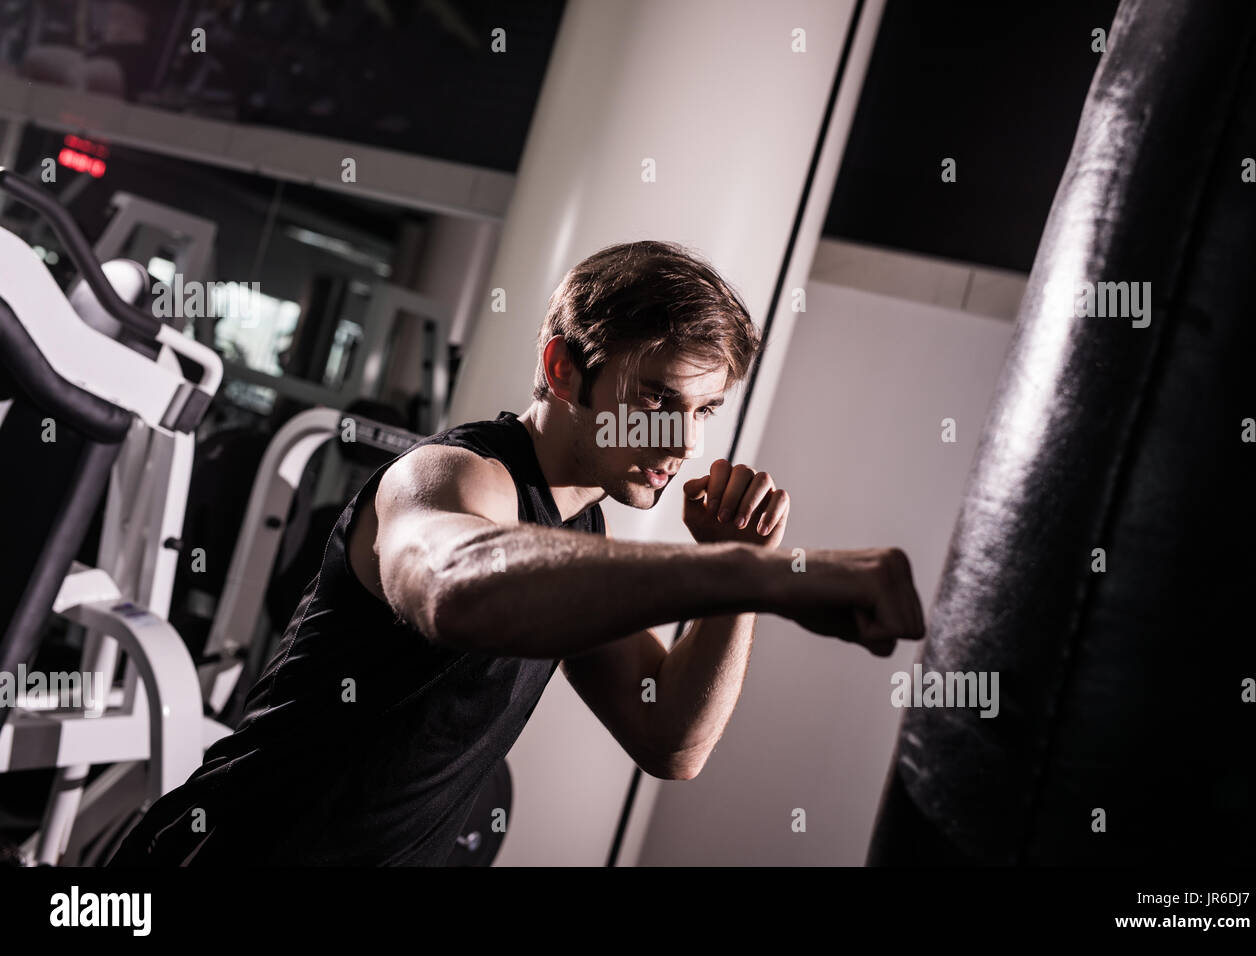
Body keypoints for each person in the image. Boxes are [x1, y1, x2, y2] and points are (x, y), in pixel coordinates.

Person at [108, 240, 925, 866]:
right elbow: (456, 588)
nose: (681, 440)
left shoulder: (580, 538)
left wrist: (738, 577)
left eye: (704, 409)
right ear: (563, 368)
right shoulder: (453, 473)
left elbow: (672, 741)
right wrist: (761, 576)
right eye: (656, 398)